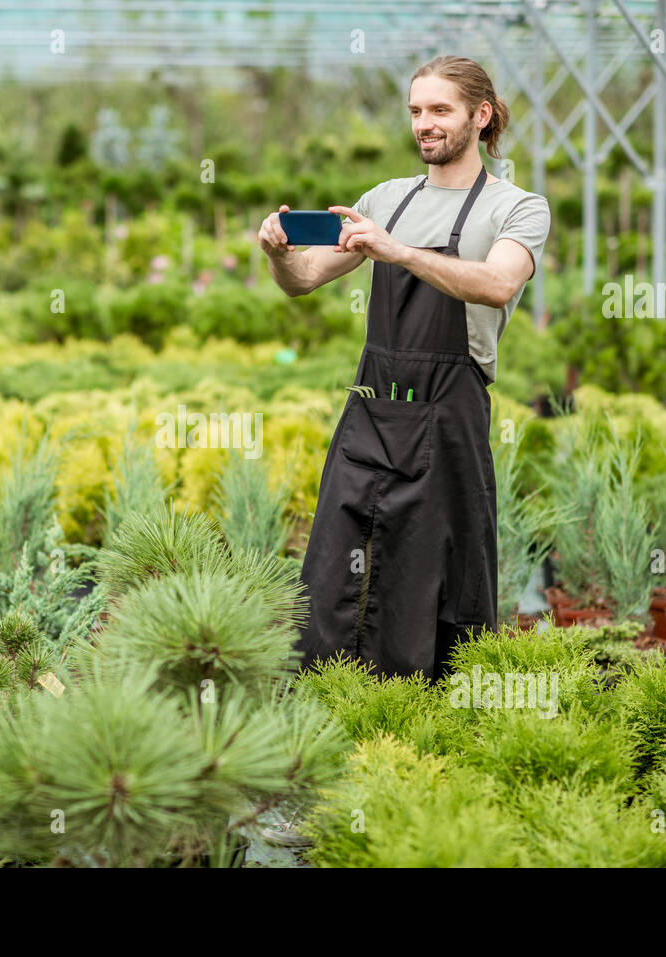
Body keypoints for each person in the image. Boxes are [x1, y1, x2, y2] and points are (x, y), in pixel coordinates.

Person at [257, 55, 551, 681]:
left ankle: (426, 721)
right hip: (373, 409)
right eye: (416, 111)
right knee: (337, 565)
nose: (424, 124)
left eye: (440, 110)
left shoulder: (518, 208)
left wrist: (397, 250)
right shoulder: (384, 200)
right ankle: (331, 705)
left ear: (481, 115)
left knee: (435, 574)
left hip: (449, 415)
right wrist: (278, 253)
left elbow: (497, 284)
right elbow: (305, 278)